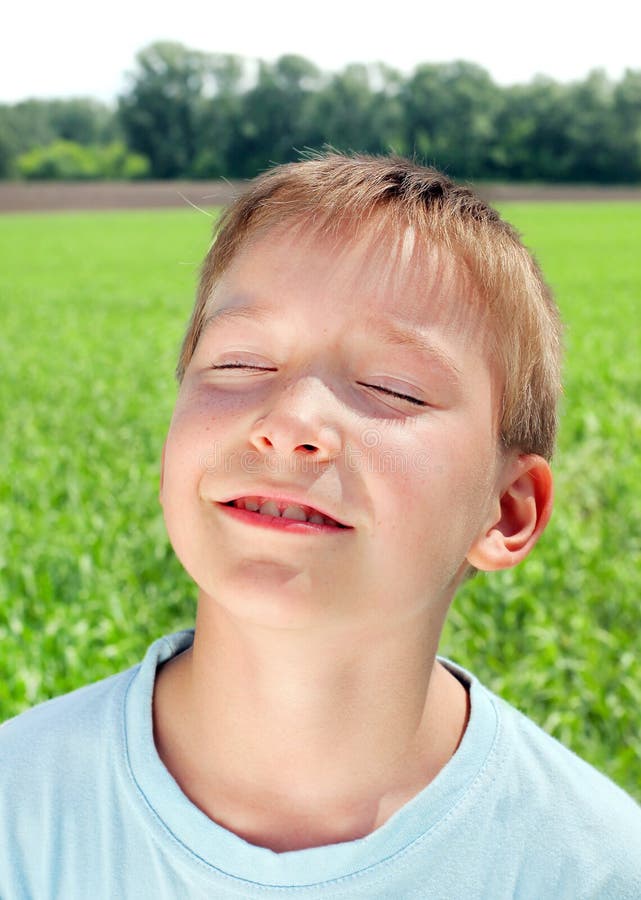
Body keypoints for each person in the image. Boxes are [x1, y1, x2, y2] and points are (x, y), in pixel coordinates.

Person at [1, 153, 639, 899]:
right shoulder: (19, 810)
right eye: (238, 363)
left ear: (504, 511)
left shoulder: (591, 869)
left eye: (389, 386)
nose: (289, 422)